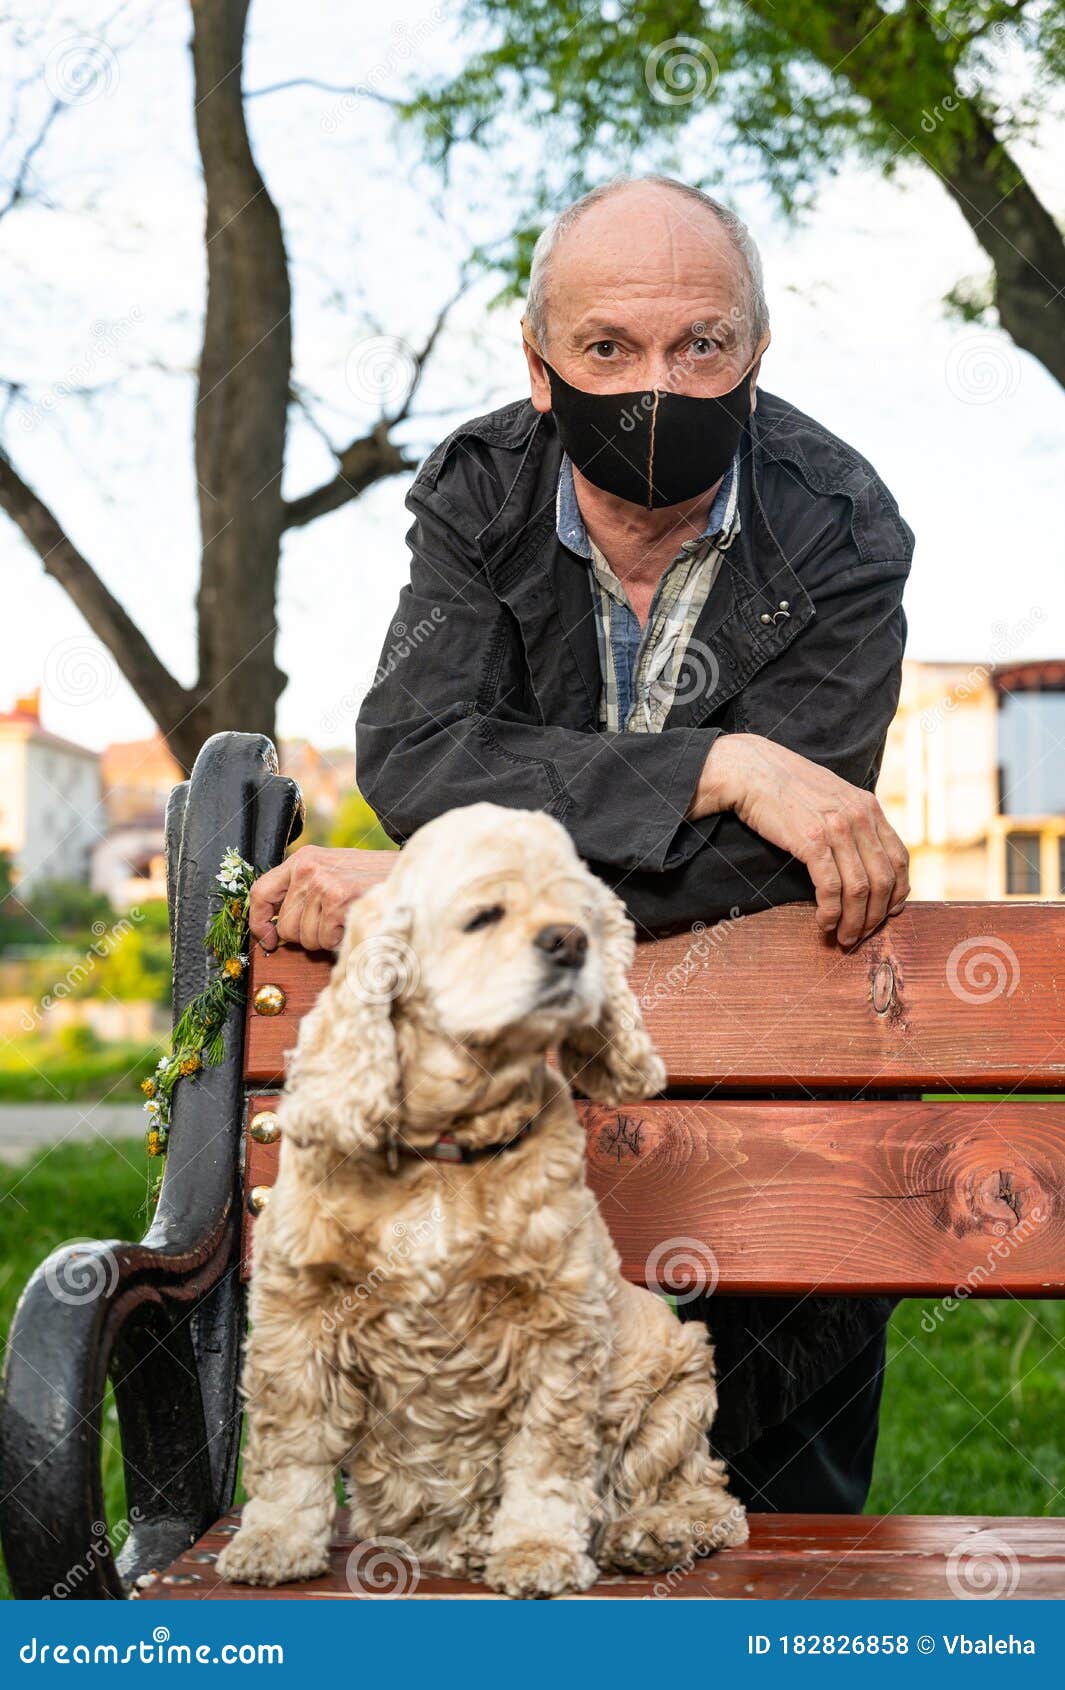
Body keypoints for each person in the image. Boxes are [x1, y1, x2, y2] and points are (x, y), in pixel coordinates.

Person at [249, 175, 913, 1513]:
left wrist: (445, 881)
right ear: (541, 365)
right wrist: (717, 764)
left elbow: (769, 869)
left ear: (755, 354)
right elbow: (422, 754)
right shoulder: (480, 494)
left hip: (776, 1108)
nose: (655, 388)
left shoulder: (841, 522)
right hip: (506, 1118)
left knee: (763, 1532)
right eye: (608, 349)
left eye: (699, 346)